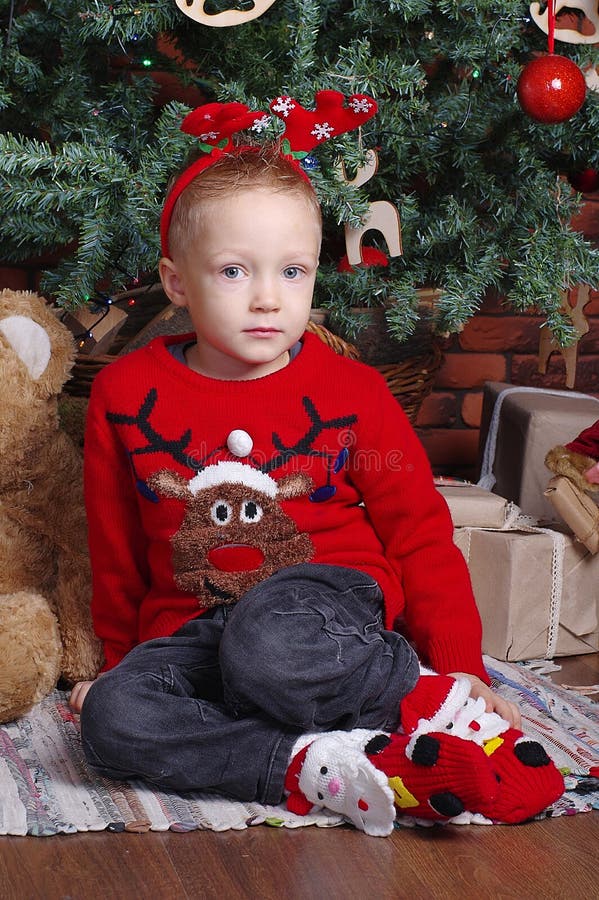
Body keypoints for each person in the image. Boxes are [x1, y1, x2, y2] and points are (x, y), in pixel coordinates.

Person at [71, 98, 563, 835]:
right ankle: (316, 765)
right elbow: (113, 544)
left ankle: (423, 700)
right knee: (112, 720)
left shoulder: (352, 392)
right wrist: (120, 661)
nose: (268, 298)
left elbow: (418, 532)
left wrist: (459, 663)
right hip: (194, 630)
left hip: (322, 614)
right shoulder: (122, 392)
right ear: (176, 282)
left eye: (293, 271)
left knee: (266, 641)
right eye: (233, 271)